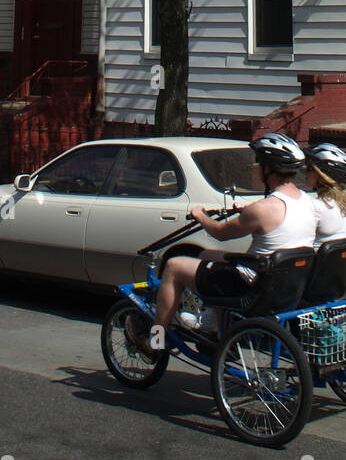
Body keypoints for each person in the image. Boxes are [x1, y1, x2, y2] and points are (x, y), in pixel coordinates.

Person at [129, 132, 316, 351]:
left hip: (250, 285)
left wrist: (200, 215)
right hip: (285, 282)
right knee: (208, 256)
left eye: (259, 163)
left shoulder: (264, 208)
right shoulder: (306, 202)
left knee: (173, 266)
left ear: (269, 168)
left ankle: (156, 340)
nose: (256, 167)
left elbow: (220, 232)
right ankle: (218, 329)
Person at [305, 142, 346, 245]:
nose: (305, 171)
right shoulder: (345, 204)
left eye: (310, 168)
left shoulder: (316, 206)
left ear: (322, 175)